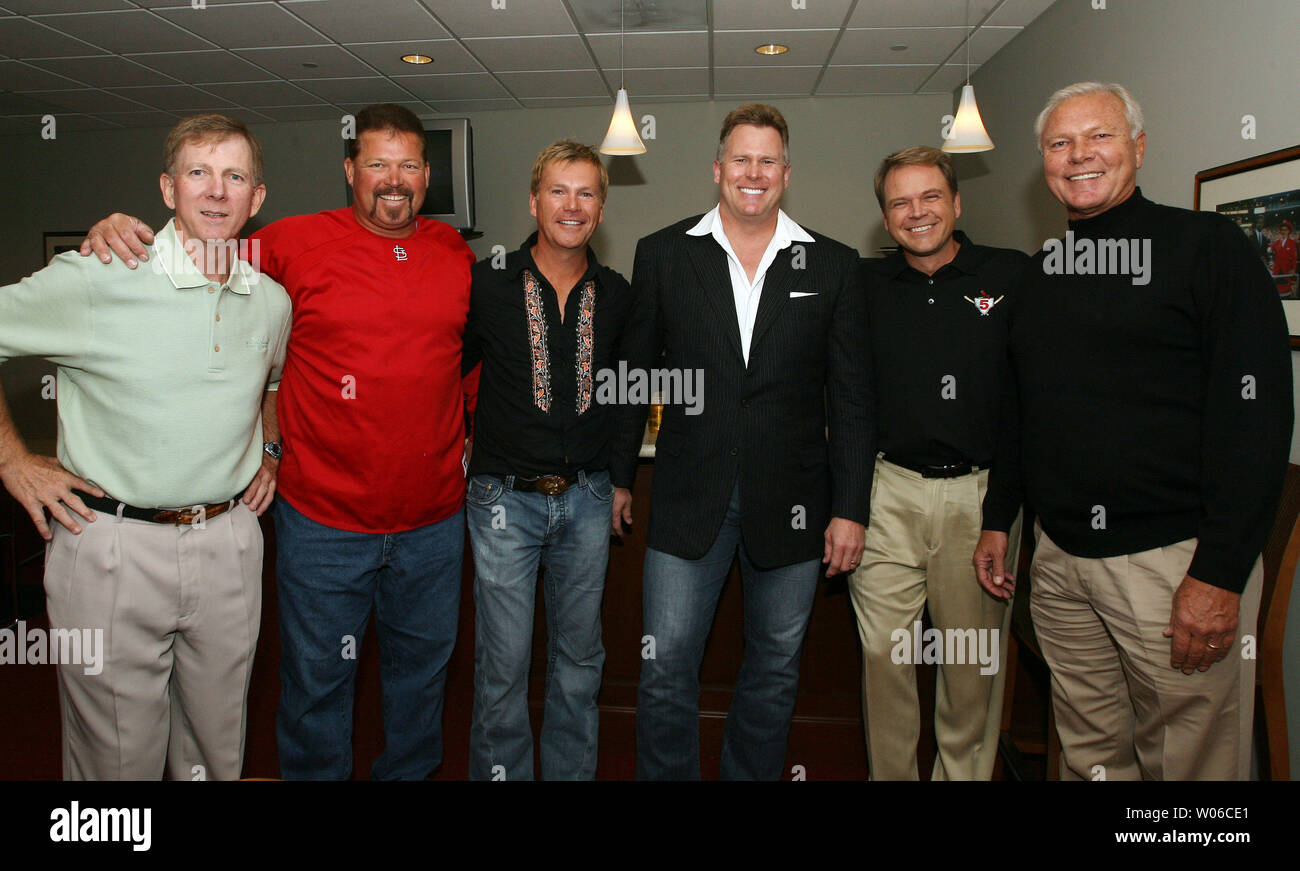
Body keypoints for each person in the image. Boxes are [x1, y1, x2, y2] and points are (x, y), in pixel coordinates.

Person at [79, 104, 477, 781]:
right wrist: (116, 230)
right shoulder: (291, 241)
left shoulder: (455, 252)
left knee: (420, 687)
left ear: (427, 175)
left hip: (435, 523)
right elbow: (200, 253)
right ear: (350, 171)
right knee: (318, 687)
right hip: (322, 519)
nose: (394, 178)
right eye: (377, 162)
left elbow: (461, 361)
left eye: (408, 164)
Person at [974, 82, 1292, 780]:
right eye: (1060, 143)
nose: (1079, 154)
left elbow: (1258, 416)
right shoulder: (1040, 276)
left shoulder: (1209, 249)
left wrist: (1218, 571)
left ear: (1138, 147)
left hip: (1174, 565)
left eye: (1100, 136)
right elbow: (1019, 412)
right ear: (1044, 163)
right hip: (1059, 568)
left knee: (1189, 769)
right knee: (1090, 755)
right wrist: (1000, 519)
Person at [0, 114, 290, 780]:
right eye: (198, 173)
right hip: (111, 546)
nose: (217, 192)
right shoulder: (99, 275)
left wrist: (268, 450)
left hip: (229, 544)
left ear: (257, 198)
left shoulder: (270, 301)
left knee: (218, 753)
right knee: (116, 765)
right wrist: (13, 460)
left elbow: (269, 380)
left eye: (235, 176)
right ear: (168, 189)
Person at [622, 103, 871, 780]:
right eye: (741, 158)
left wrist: (851, 507)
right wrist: (619, 476)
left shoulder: (835, 264)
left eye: (767, 160)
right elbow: (636, 377)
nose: (753, 172)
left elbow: (850, 400)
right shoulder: (665, 253)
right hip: (686, 496)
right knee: (665, 662)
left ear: (785, 173)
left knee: (774, 667)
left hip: (794, 505)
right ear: (718, 168)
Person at [462, 140, 640, 780]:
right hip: (502, 500)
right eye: (558, 191)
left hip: (589, 500)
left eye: (586, 192)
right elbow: (439, 372)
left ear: (602, 206)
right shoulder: (487, 280)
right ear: (535, 201)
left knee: (580, 660)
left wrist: (620, 479)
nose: (572, 205)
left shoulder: (617, 294)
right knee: (504, 662)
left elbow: (627, 394)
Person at [852, 146, 1028, 780]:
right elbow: (849, 399)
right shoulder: (864, 287)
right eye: (900, 202)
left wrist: (1001, 518)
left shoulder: (1009, 276)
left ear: (956, 202)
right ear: (884, 216)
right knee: (883, 655)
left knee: (970, 663)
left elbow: (1024, 408)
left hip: (978, 499)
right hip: (886, 492)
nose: (916, 212)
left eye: (930, 197)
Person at [1269, 219, 1297, 297]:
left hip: (1286, 270)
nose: (1283, 231)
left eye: (1285, 230)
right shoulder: (1277, 242)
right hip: (1277, 270)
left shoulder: (1292, 243)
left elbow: (1294, 258)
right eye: (1281, 230)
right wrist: (1269, 250)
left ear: (1289, 231)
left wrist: (1293, 269)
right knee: (1277, 292)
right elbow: (1270, 249)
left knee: (1286, 292)